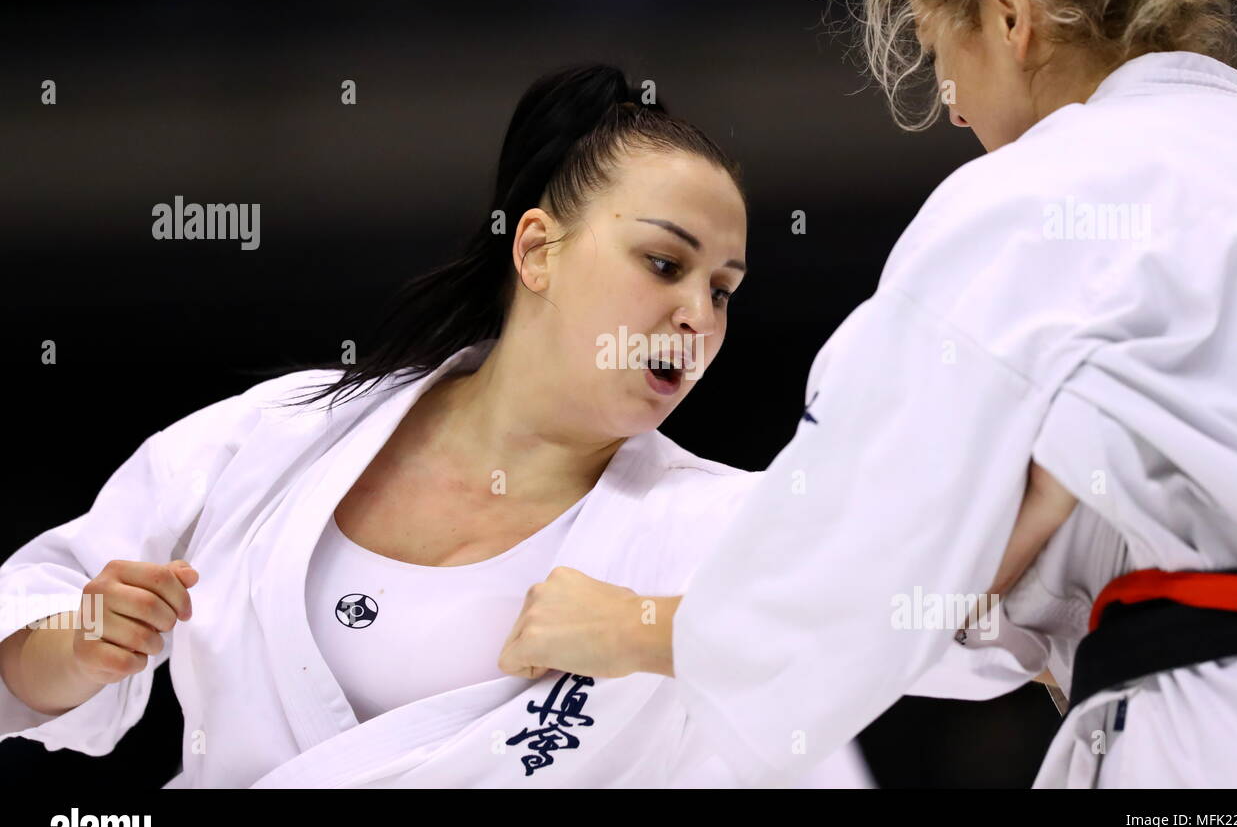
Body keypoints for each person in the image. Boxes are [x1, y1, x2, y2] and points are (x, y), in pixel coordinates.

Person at [497, 0, 1237, 788]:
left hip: (1231, 738)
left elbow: (880, 520)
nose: (951, 105)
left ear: (1007, 14)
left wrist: (634, 627)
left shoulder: (1045, 191)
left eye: (934, 48)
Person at [0, 63, 872, 788]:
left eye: (722, 290)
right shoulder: (281, 434)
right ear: (536, 251)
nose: (699, 318)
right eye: (664, 263)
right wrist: (82, 645)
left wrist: (653, 628)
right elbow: (22, 649)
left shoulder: (721, 524)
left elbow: (905, 630)